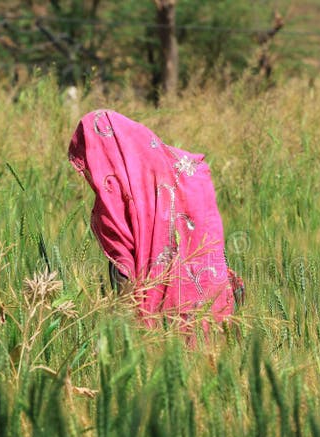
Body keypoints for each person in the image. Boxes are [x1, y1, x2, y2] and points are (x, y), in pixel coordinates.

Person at [68, 110, 243, 327]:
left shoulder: (114, 205)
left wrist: (119, 342)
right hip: (215, 316)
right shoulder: (191, 174)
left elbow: (124, 283)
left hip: (157, 333)